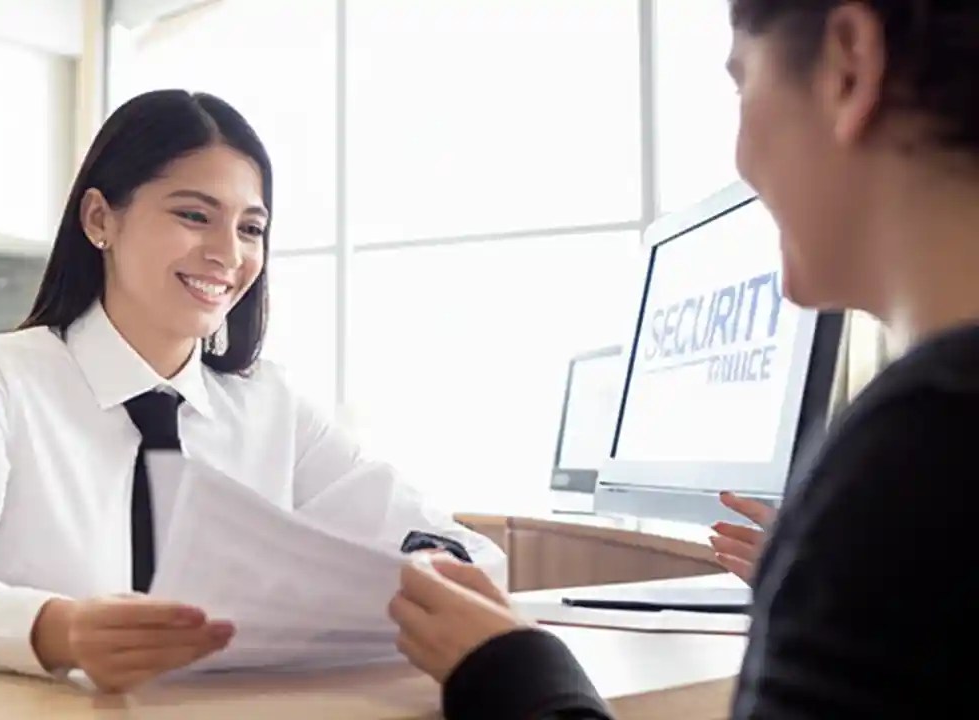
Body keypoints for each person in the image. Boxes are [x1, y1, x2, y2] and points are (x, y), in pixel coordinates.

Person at [388, 1, 976, 717]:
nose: (739, 153)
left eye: (741, 83)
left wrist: (507, 662)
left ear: (849, 67)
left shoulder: (920, 446)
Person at [0, 89, 505, 694]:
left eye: (251, 228)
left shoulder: (269, 404)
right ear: (101, 218)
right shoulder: (1, 377)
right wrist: (61, 629)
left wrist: (431, 567)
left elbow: (462, 549)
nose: (228, 253)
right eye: (195, 215)